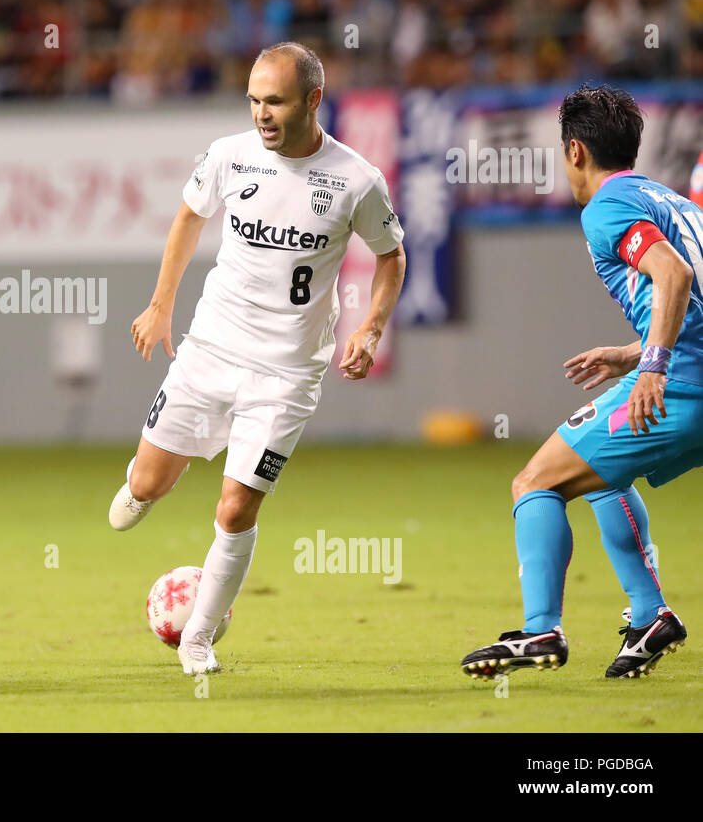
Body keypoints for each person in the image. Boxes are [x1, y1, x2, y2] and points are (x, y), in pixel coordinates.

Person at [112, 42, 407, 674]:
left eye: (274, 101)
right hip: (210, 350)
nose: (261, 114)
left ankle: (198, 638)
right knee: (143, 485)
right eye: (253, 101)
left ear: (312, 100)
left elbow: (391, 256)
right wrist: (161, 304)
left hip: (287, 373)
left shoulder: (356, 179)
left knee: (236, 507)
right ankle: (148, 484)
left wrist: (371, 328)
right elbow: (189, 217)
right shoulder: (229, 157)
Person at [462, 84, 690, 680]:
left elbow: (673, 273)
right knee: (598, 473)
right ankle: (649, 616)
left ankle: (541, 631)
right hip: (689, 370)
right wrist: (631, 353)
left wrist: (654, 366)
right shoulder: (673, 201)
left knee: (534, 481)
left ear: (574, 151)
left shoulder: (607, 207)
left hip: (683, 383)